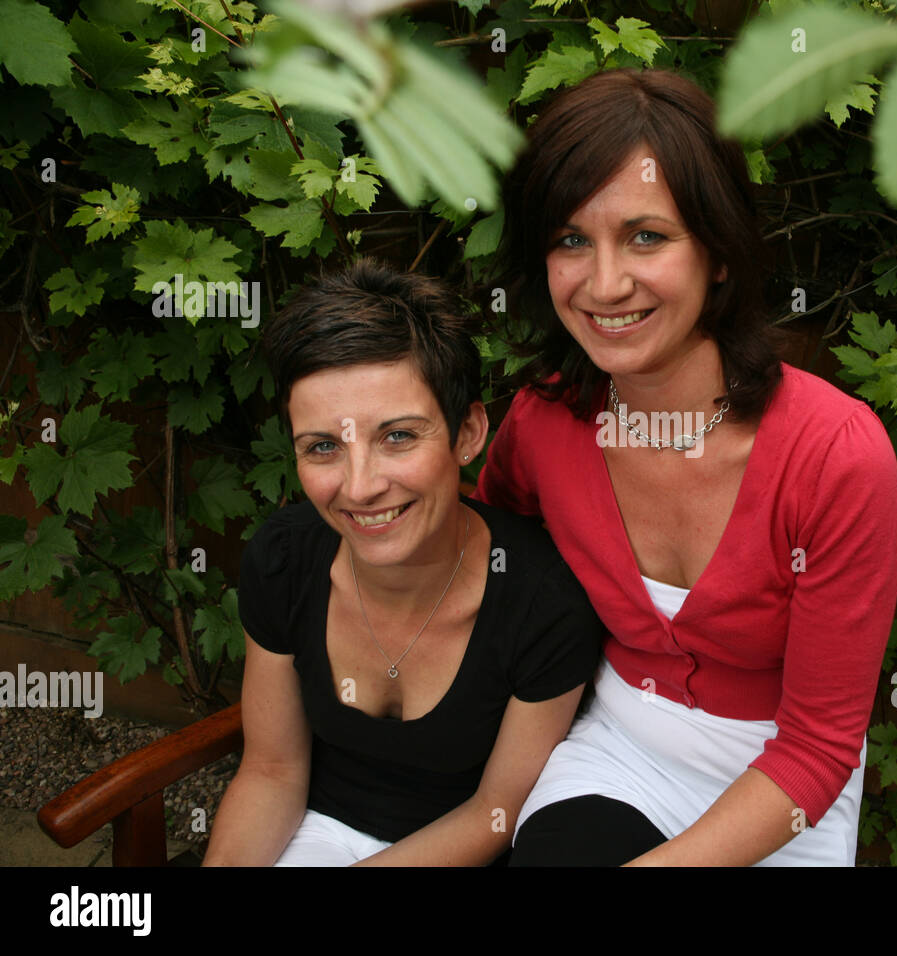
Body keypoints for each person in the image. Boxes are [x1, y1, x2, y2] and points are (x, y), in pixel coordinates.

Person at [474, 69, 897, 866]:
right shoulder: (544, 423)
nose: (604, 284)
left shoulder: (836, 457)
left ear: (721, 254)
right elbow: (480, 583)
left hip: (783, 784)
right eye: (571, 239)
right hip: (615, 754)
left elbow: (818, 744)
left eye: (646, 236)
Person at [202, 259, 604, 866]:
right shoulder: (284, 561)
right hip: (313, 831)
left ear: (467, 433)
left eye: (398, 436)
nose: (360, 488)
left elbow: (494, 814)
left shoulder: (542, 602)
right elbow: (272, 770)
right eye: (323, 447)